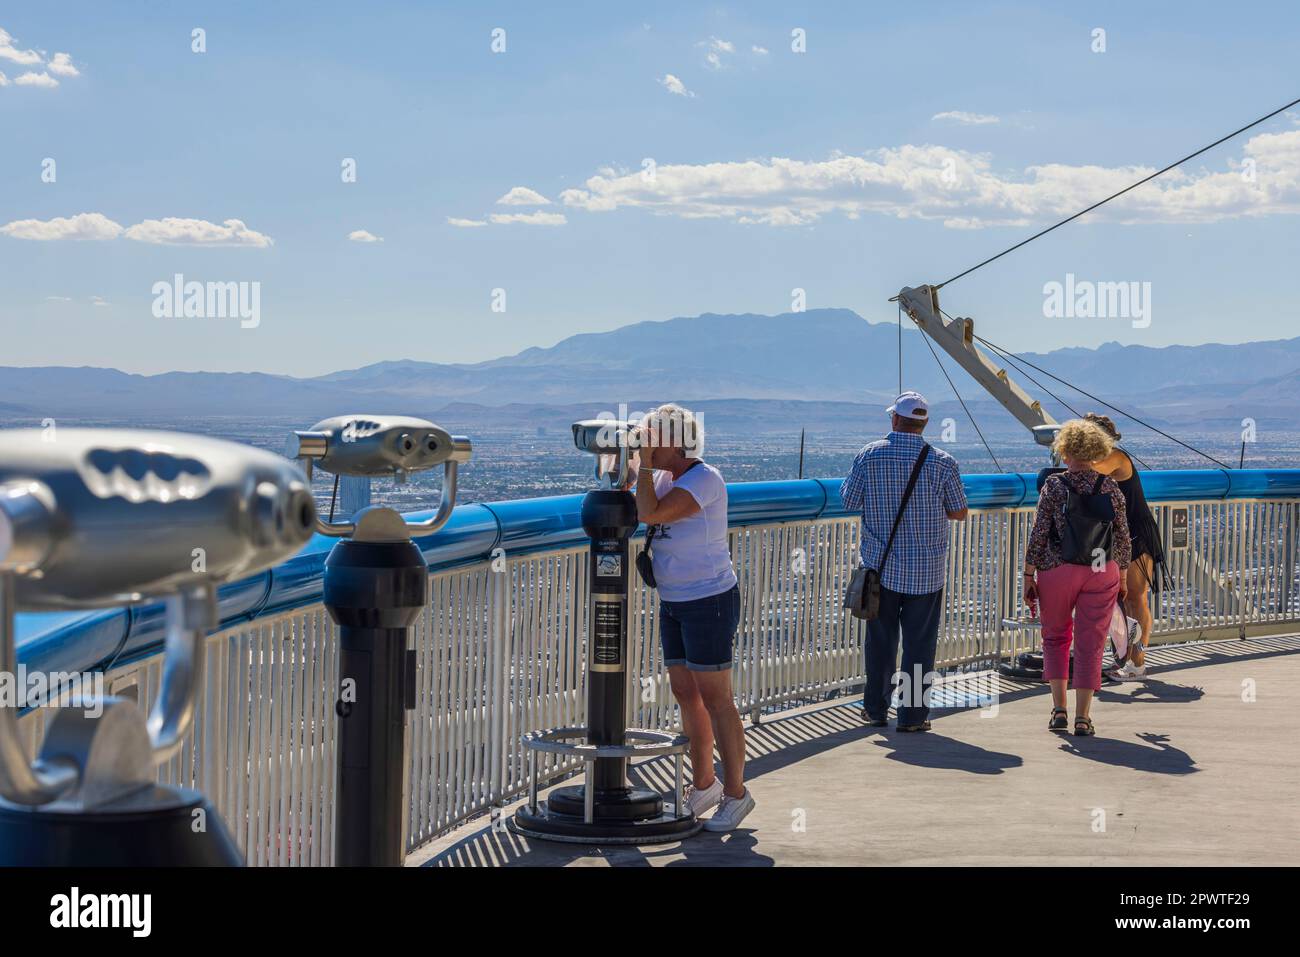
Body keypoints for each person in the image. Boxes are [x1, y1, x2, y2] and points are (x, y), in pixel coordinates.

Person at [631, 404, 754, 832]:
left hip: (708, 600)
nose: (645, 442)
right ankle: (703, 784)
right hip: (674, 600)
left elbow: (649, 514)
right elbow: (623, 489)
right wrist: (618, 456)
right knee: (686, 694)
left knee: (717, 698)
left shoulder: (703, 479)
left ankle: (737, 793)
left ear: (673, 440)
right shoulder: (663, 476)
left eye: (650, 435)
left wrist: (643, 467)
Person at [840, 391, 968, 732]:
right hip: (927, 571)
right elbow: (959, 511)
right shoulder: (943, 462)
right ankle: (913, 716)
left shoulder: (869, 456)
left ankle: (876, 709)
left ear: (895, 419)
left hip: (881, 571)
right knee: (919, 646)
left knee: (880, 643)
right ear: (924, 423)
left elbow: (850, 500)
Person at [1023, 419, 1132, 736]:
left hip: (1058, 569)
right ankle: (1083, 717)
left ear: (1066, 449)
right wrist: (1122, 577)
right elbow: (1123, 538)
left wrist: (1029, 574)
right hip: (1101, 570)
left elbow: (1040, 533)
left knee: (1055, 637)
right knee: (1091, 643)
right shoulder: (1110, 488)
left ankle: (1059, 710)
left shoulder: (1054, 486)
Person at [1087, 413, 1166, 678]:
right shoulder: (1105, 458)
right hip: (1118, 535)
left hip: (1136, 533)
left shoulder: (1116, 458)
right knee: (1122, 600)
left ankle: (1138, 661)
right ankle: (1125, 658)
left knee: (1135, 597)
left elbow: (1090, 473)